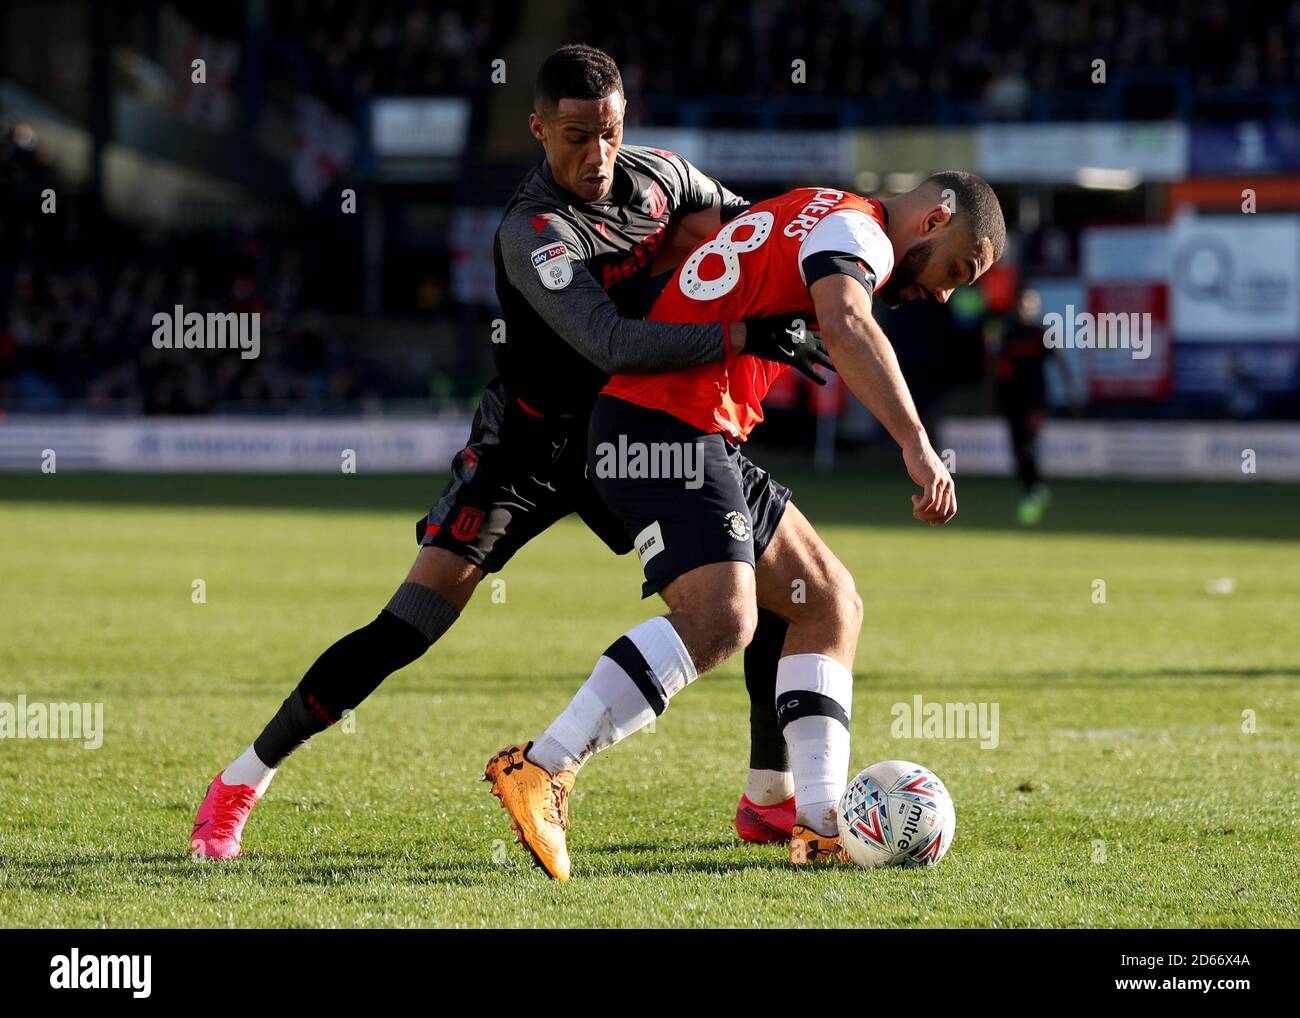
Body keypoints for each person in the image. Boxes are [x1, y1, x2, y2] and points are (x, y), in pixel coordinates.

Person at [188, 44, 827, 859]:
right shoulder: (534, 231)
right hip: (524, 449)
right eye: (572, 137)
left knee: (778, 582)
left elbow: (752, 231)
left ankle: (767, 796)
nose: (595, 155)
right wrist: (744, 331)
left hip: (633, 433)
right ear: (536, 129)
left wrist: (815, 287)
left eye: (607, 132)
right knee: (407, 626)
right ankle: (242, 780)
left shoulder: (664, 176)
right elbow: (610, 341)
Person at [485, 173, 1005, 878]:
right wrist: (916, 444)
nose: (946, 291)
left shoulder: (818, 206)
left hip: (699, 432)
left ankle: (809, 823)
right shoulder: (861, 232)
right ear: (934, 219)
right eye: (957, 269)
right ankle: (544, 765)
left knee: (826, 601)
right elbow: (849, 323)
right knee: (722, 620)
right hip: (660, 427)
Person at [989, 287, 1074, 525]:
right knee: (1016, 451)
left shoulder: (1042, 334)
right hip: (1011, 401)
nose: (1024, 307)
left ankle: (1032, 493)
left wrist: (1071, 394)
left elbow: (1060, 361)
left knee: (1027, 447)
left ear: (1036, 306)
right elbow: (996, 366)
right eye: (1021, 303)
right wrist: (993, 394)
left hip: (1035, 402)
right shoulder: (1008, 333)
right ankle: (1035, 489)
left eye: (1029, 303)